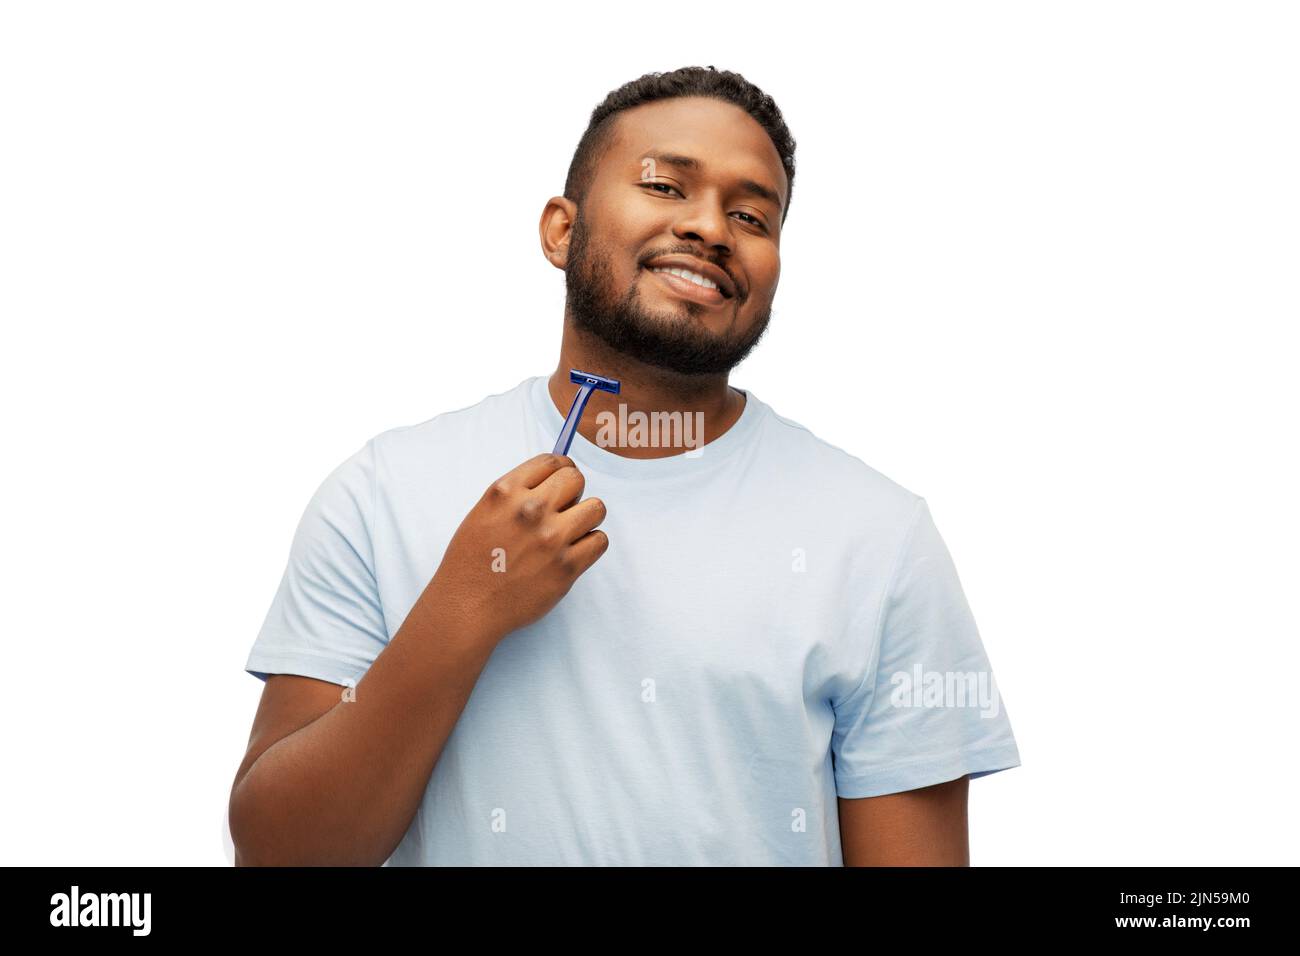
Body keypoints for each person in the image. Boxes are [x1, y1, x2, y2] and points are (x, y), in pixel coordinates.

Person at [228, 65, 1021, 866]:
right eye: (667, 187)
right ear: (560, 231)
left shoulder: (879, 538)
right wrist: (463, 607)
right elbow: (278, 853)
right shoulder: (380, 495)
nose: (712, 227)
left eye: (752, 215)